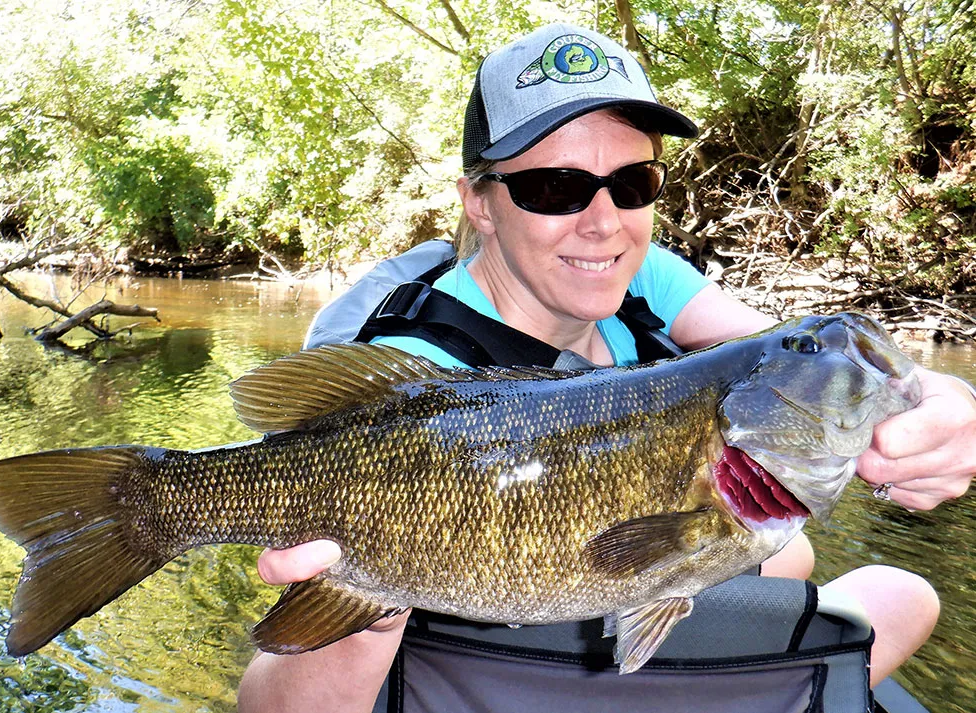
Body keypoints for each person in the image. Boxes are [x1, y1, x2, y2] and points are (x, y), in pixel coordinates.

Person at [238, 23, 974, 713]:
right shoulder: (407, 374)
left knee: (890, 585)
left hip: (636, 580)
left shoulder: (638, 271)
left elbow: (781, 351)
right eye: (554, 187)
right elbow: (268, 704)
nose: (603, 221)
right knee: (874, 588)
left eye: (633, 184)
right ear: (481, 205)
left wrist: (939, 403)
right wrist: (371, 598)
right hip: (497, 670)